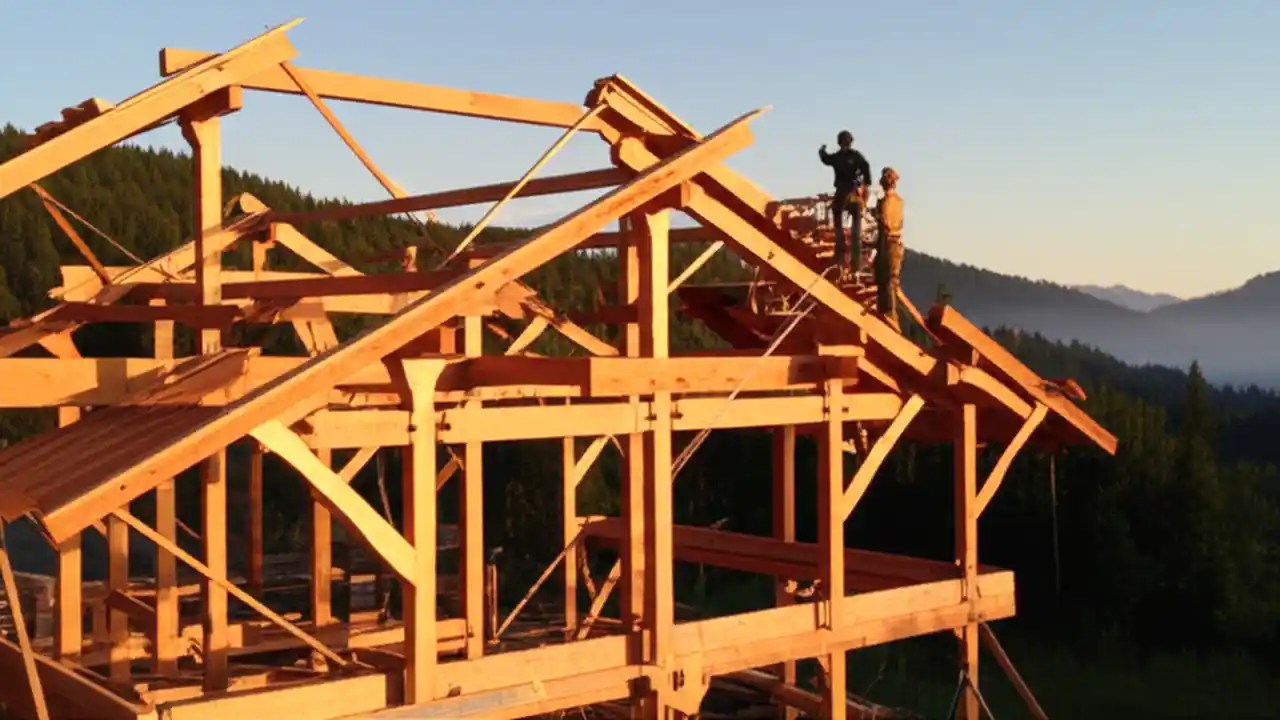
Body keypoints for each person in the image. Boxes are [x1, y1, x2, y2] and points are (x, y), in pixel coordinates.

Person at [818, 130, 872, 276]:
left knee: (838, 227)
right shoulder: (856, 156)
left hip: (841, 195)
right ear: (851, 141)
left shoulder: (837, 157)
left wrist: (821, 150)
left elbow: (825, 159)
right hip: (854, 195)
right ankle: (856, 265)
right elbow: (866, 167)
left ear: (839, 142)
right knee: (856, 232)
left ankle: (840, 259)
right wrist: (865, 184)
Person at [874, 166, 904, 331]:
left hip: (890, 243)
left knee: (888, 281)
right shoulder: (894, 201)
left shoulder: (890, 201)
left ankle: (891, 315)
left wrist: (878, 217)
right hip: (887, 243)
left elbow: (888, 223)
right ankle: (885, 312)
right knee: (883, 279)